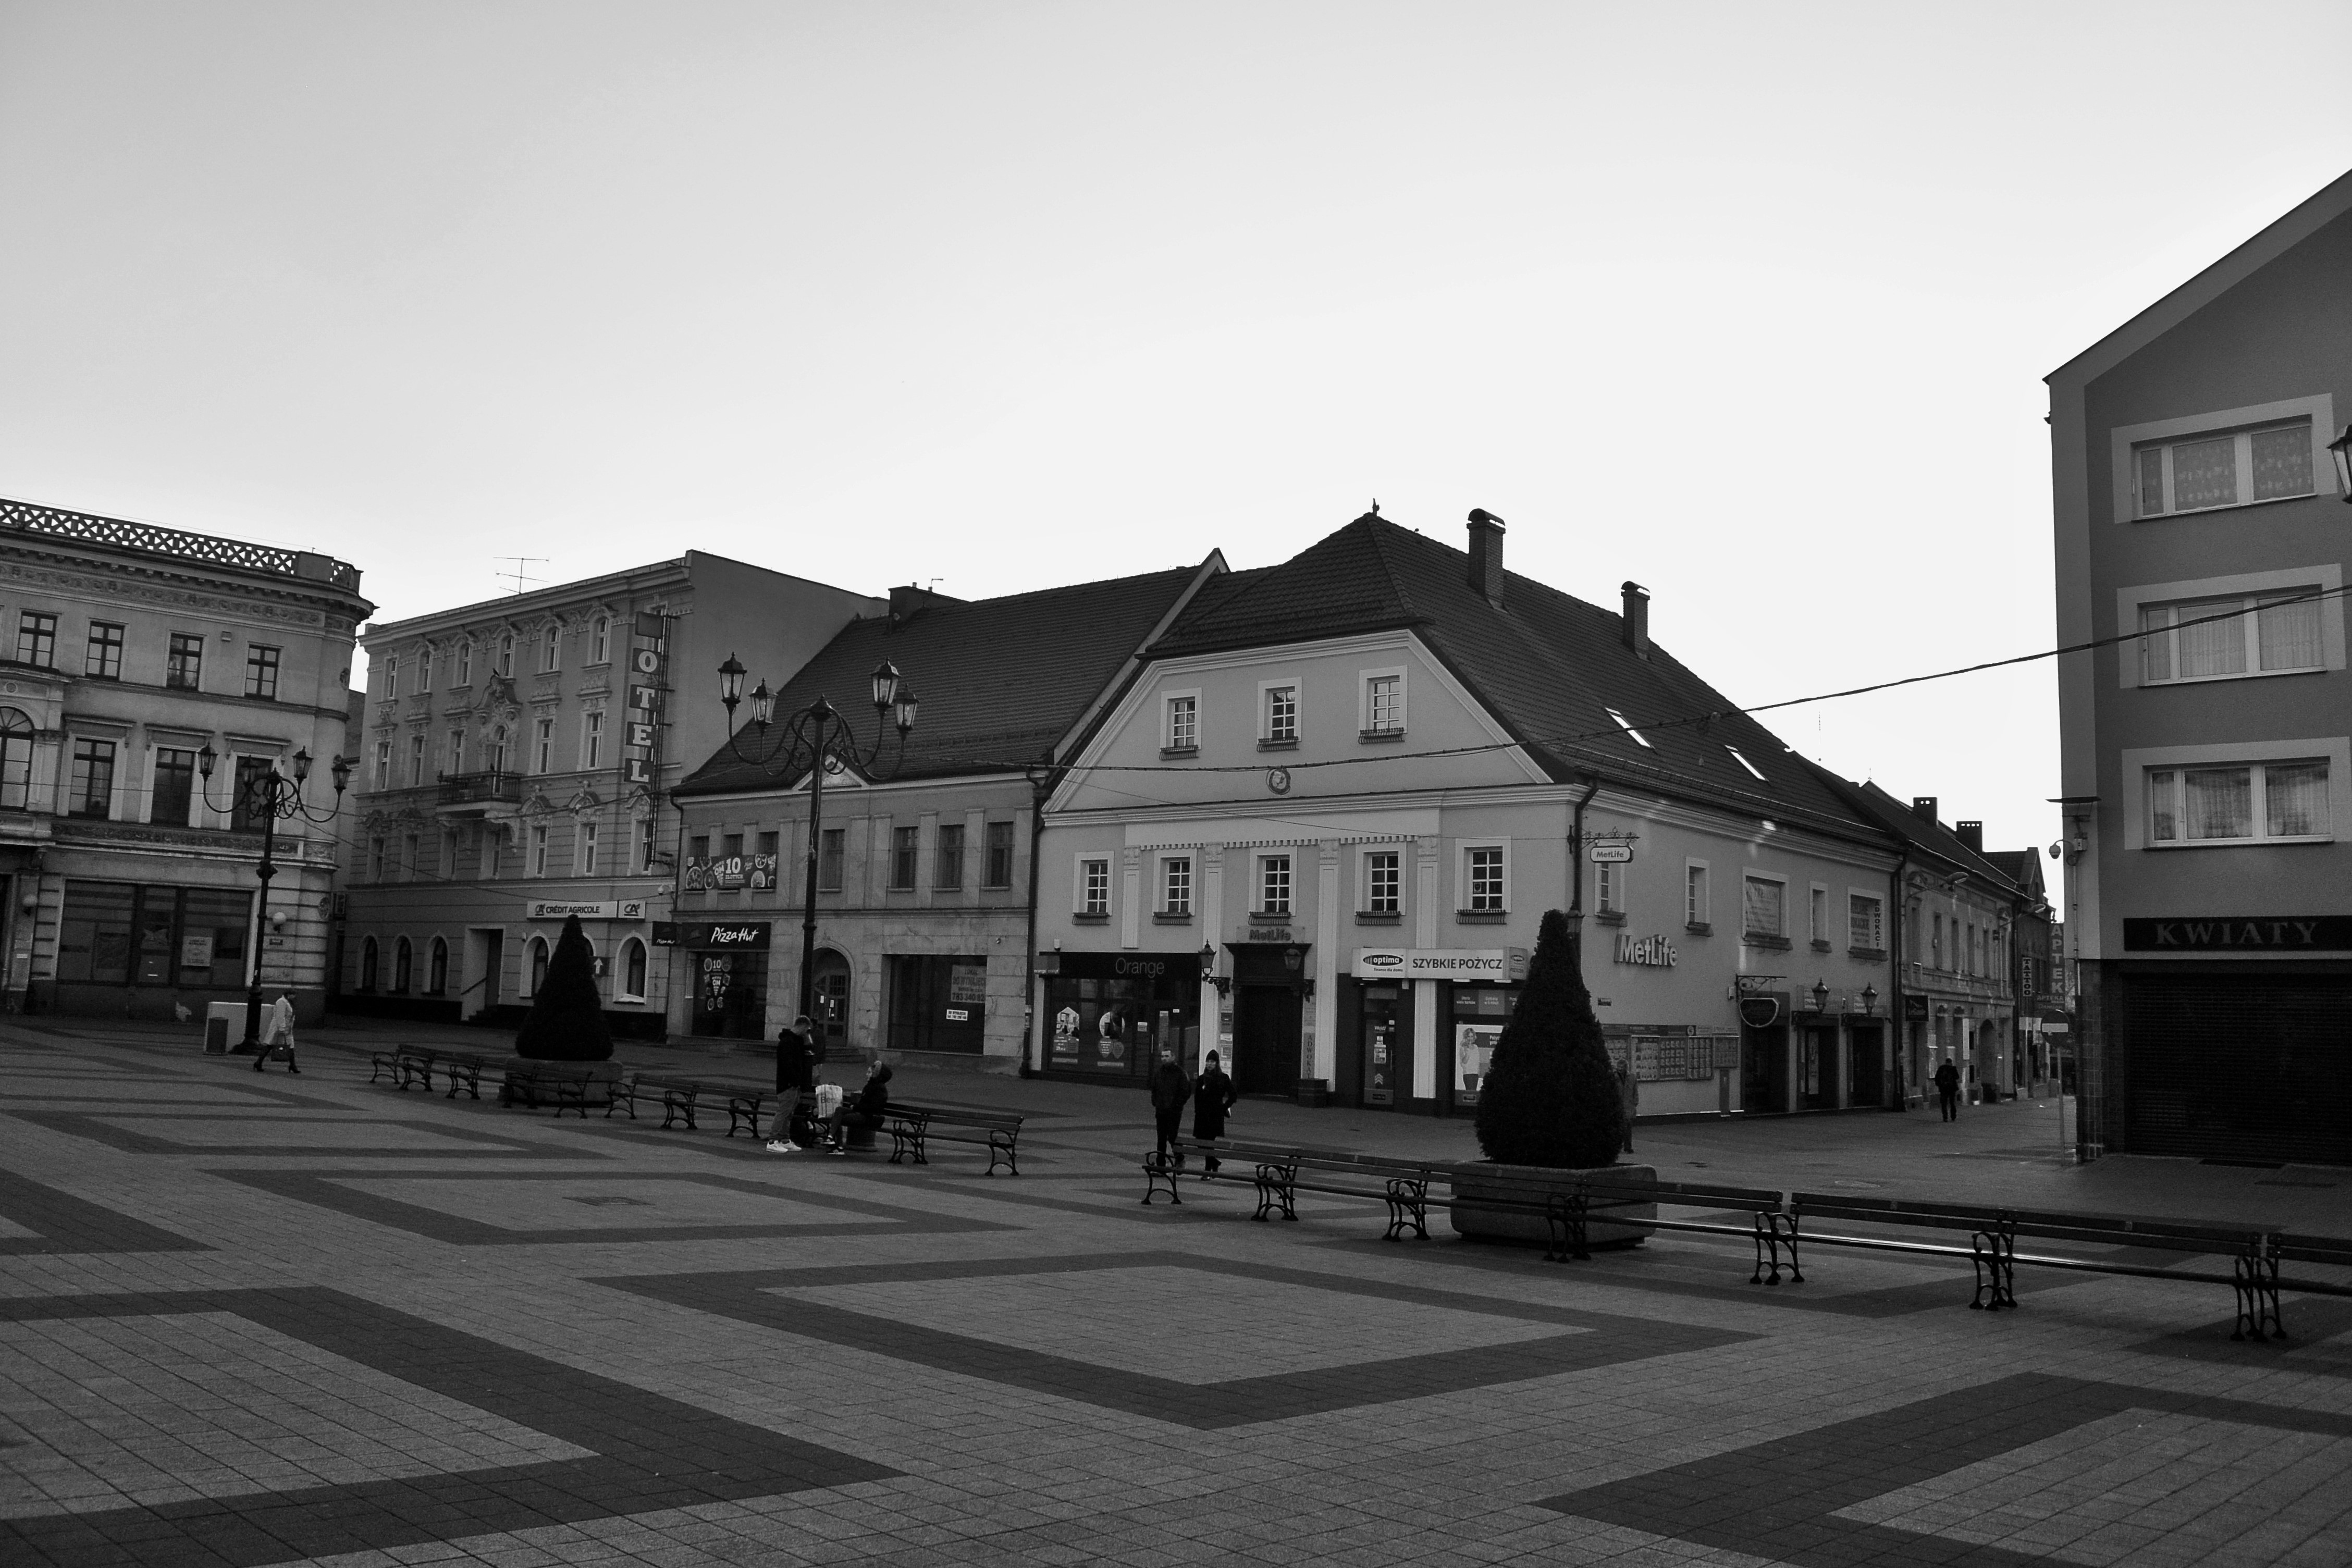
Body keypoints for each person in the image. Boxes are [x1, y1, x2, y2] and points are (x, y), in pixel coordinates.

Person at [766, 1014, 817, 1153]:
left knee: (789, 1113)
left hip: (794, 1083)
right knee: (783, 1112)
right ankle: (773, 1140)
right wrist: (794, 1080)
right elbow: (786, 1065)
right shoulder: (787, 1042)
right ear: (802, 1027)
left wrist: (807, 1036)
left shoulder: (797, 1041)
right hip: (787, 1083)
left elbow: (810, 1047)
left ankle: (784, 1139)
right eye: (807, 1030)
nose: (808, 1033)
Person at [821, 1058, 892, 1155]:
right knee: (839, 1110)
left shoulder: (878, 1089)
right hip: (862, 1113)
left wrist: (855, 1108)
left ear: (876, 1075)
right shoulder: (871, 1086)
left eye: (870, 1073)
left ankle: (838, 1145)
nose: (867, 1074)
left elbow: (871, 1108)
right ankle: (831, 1138)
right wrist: (855, 1107)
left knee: (838, 1117)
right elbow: (864, 1104)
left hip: (868, 1117)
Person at [1191, 1048, 1236, 1176]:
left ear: (1217, 1063)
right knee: (1200, 1142)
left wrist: (1224, 1107)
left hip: (1215, 1116)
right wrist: (1197, 1110)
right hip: (1201, 1116)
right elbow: (1197, 1097)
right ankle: (1214, 1162)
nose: (1209, 1064)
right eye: (1208, 1062)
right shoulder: (1201, 1079)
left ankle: (1207, 1171)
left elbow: (1233, 1095)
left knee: (1209, 1142)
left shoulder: (1223, 1078)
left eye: (1212, 1062)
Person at [1149, 1046, 1191, 1168]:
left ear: (1173, 1057)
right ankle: (1160, 1165)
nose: (1164, 1059)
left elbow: (1185, 1092)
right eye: (1162, 1056)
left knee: (1172, 1137)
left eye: (1167, 1056)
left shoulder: (1180, 1073)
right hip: (1161, 1110)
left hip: (1174, 1112)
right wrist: (1156, 1102)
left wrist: (1176, 1105)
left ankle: (1180, 1157)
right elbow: (1155, 1089)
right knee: (1161, 1139)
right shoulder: (1159, 1073)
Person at [252, 993, 300, 1074]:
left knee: (290, 1047)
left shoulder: (288, 1003)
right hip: (278, 1029)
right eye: (293, 995)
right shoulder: (281, 1002)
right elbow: (280, 1016)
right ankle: (258, 1063)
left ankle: (293, 1065)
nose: (294, 997)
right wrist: (282, 1028)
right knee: (270, 1045)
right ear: (288, 994)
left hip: (287, 1029)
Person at [1934, 1056, 1962, 1122]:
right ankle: (1953, 1116)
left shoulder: (1941, 1068)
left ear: (1946, 1062)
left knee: (1944, 1103)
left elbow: (1937, 1078)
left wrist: (1939, 1085)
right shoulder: (1953, 1069)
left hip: (1943, 1088)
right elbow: (1957, 1077)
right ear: (1951, 1063)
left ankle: (1945, 1117)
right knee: (1952, 1103)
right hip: (1952, 1088)